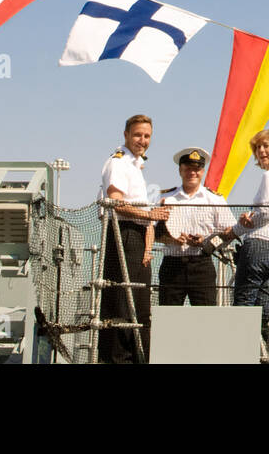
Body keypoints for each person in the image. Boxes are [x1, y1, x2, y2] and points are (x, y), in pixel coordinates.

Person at [99, 114, 170, 364]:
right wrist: (149, 213)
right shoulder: (118, 163)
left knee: (140, 308)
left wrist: (148, 246)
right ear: (126, 135)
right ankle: (118, 360)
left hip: (139, 240)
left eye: (147, 136)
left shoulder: (135, 166)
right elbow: (115, 202)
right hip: (123, 235)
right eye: (138, 135)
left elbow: (145, 217)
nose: (142, 140)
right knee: (122, 305)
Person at [225, 129, 269, 321]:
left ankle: (240, 349)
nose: (261, 151)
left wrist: (239, 227)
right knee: (264, 309)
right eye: (258, 147)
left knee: (243, 304)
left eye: (266, 146)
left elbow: (265, 211)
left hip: (258, 246)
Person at [157, 148, 234, 306]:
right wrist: (171, 240)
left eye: (196, 169)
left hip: (202, 265)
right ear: (180, 170)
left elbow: (231, 233)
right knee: (168, 321)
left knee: (205, 322)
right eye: (188, 168)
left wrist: (207, 243)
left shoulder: (214, 199)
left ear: (203, 171)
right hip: (172, 265)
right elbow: (152, 232)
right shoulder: (165, 198)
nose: (192, 172)